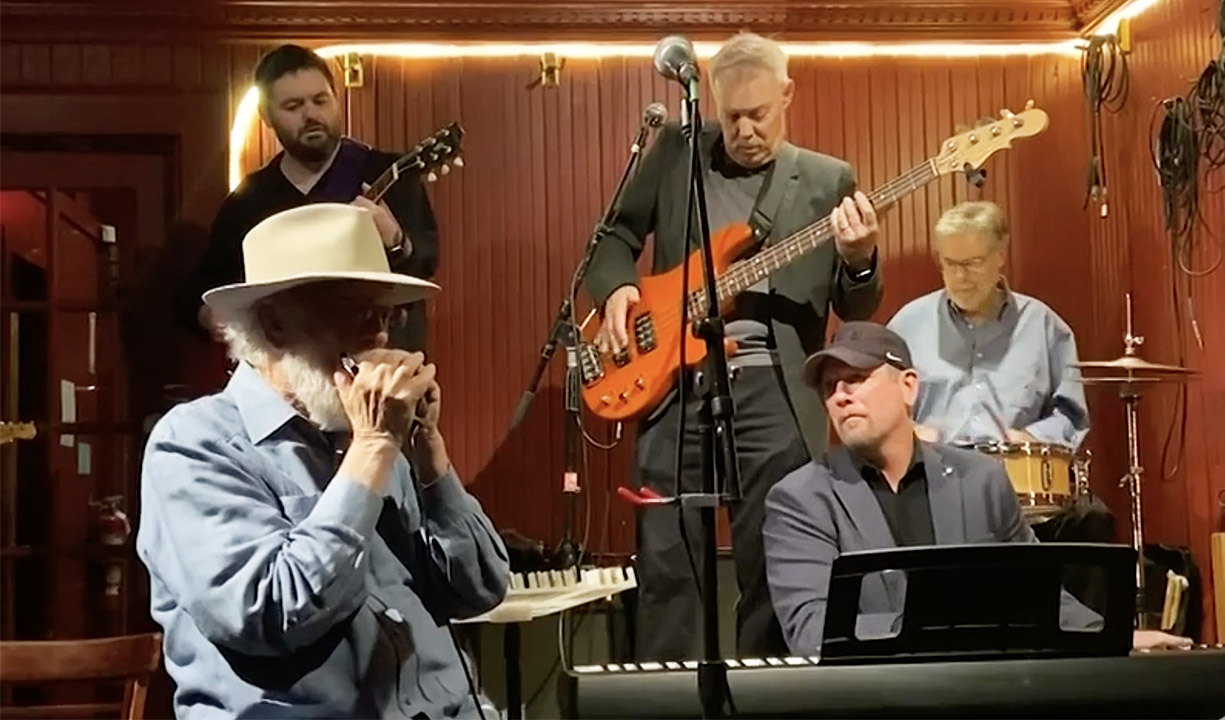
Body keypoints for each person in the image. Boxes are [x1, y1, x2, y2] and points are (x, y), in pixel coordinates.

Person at [137, 203, 507, 719]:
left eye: (387, 314)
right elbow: (271, 613)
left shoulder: (372, 429)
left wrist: (428, 453)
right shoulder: (196, 443)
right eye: (355, 311)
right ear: (274, 323)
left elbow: (479, 589)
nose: (380, 335)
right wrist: (374, 448)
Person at [584, 32, 883, 661]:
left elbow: (854, 308)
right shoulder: (675, 152)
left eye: (760, 114)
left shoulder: (828, 180)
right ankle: (670, 697)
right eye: (733, 116)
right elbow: (613, 236)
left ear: (787, 96)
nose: (745, 130)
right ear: (711, 103)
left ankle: (767, 697)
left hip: (773, 388)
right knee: (668, 563)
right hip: (674, 386)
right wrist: (615, 292)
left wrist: (859, 261)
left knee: (777, 563)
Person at [762, 321, 1191, 656]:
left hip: (979, 695)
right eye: (829, 386)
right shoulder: (800, 499)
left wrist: (1116, 637)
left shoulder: (980, 479)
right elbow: (811, 631)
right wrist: (939, 628)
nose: (840, 395)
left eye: (856, 377)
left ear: (908, 386)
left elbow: (1037, 593)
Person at [885, 201, 1113, 564]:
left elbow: (1071, 414)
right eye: (950, 264)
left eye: (973, 263)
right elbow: (881, 409)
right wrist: (908, 430)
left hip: (1018, 491)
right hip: (930, 484)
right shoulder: (906, 325)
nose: (961, 277)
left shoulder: (1043, 326)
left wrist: (1034, 438)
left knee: (1093, 522)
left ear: (1000, 256)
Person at [188, 44, 439, 352]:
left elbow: (424, 267)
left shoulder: (390, 175)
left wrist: (395, 238)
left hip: (378, 364)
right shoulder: (249, 200)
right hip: (285, 371)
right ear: (266, 116)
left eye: (320, 101)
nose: (311, 115)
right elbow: (205, 288)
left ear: (336, 100)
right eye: (293, 106)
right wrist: (209, 314)